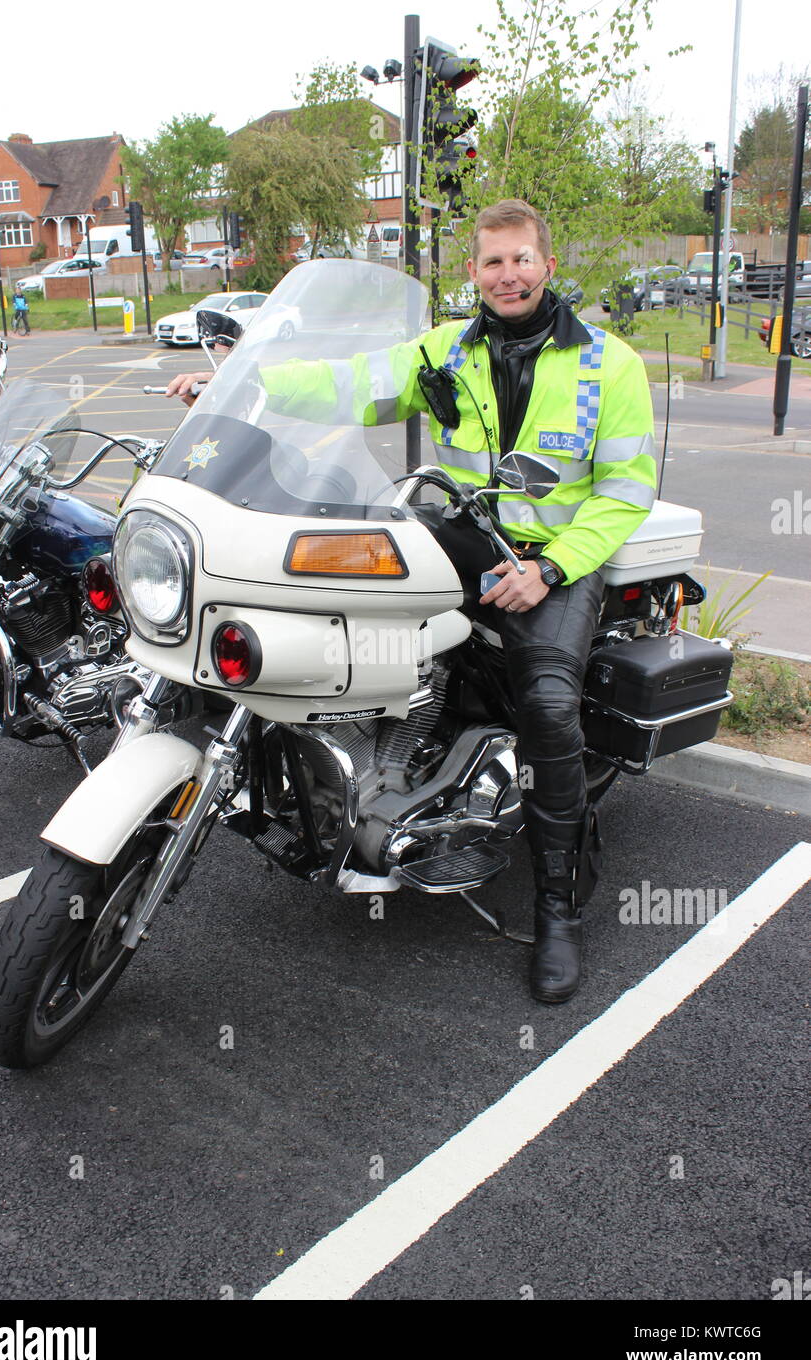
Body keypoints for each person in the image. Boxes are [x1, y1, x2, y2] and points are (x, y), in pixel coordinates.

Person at [165, 199, 657, 1004]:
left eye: (521, 259)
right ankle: (372, 782)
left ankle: (559, 907)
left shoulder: (612, 364)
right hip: (459, 535)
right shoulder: (447, 351)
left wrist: (555, 568)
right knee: (352, 631)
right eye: (492, 262)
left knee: (548, 705)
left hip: (551, 558)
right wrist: (237, 386)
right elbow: (347, 384)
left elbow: (625, 493)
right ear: (473, 272)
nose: (507, 274)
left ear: (548, 265)